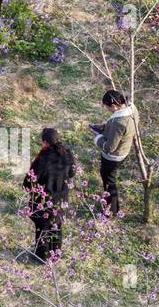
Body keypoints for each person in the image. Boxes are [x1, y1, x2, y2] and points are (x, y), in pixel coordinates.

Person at [25, 127, 76, 261]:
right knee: (57, 225)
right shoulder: (67, 154)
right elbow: (72, 173)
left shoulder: (42, 158)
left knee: (42, 226)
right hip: (61, 196)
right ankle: (55, 254)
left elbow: (30, 180)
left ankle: (42, 255)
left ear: (45, 142)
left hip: (44, 198)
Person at [88, 88, 139, 217]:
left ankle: (109, 211)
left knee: (109, 181)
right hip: (124, 149)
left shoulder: (119, 122)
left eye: (107, 108)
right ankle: (113, 208)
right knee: (109, 179)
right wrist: (106, 125)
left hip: (113, 157)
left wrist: (98, 138)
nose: (108, 110)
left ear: (114, 106)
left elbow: (110, 147)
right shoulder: (131, 108)